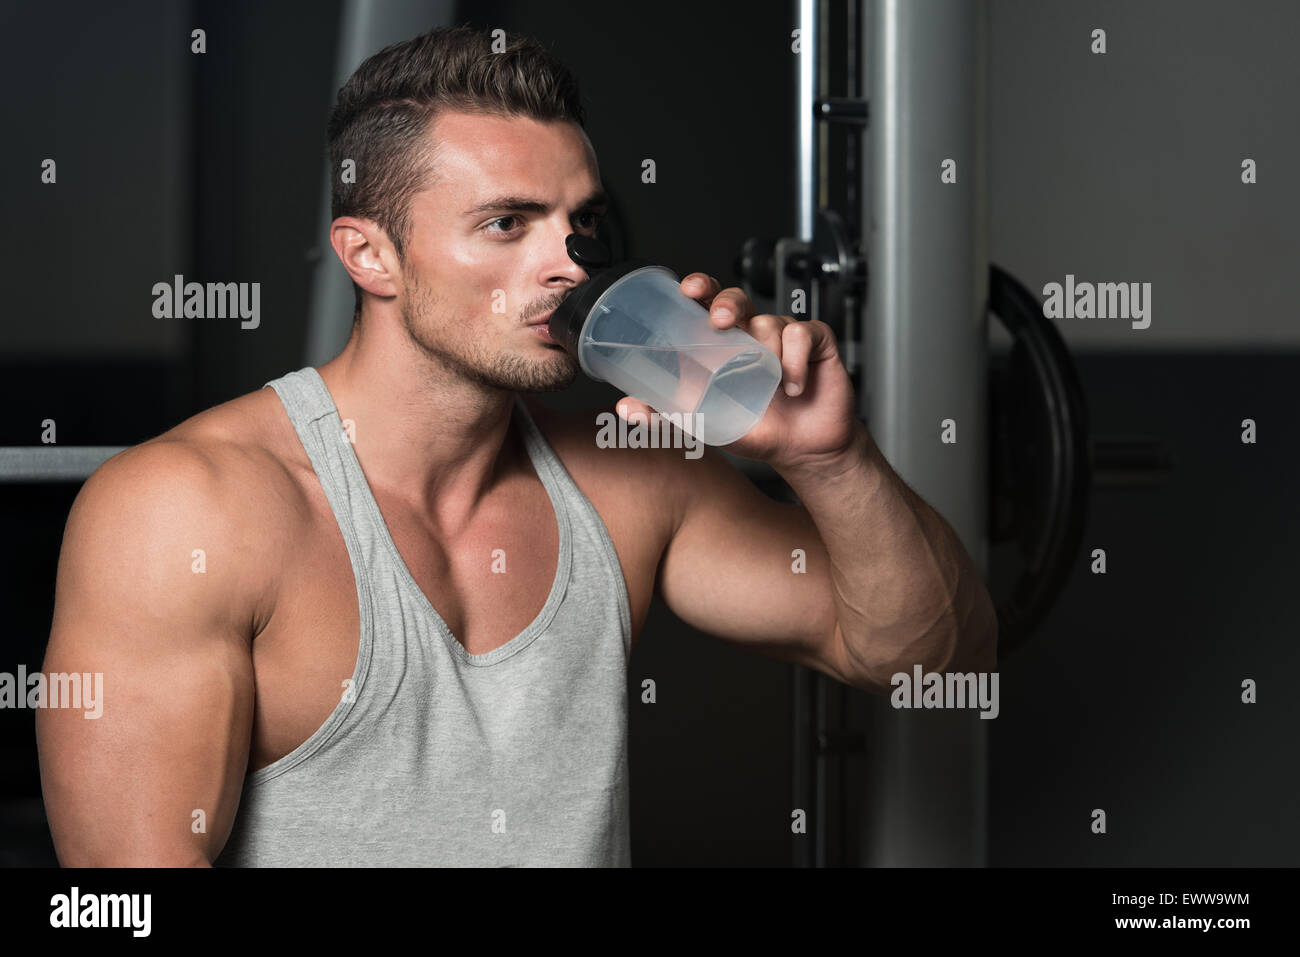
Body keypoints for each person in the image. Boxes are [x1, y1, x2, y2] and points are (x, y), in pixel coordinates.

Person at [35, 24, 997, 867]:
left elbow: (934, 660)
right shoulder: (185, 508)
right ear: (369, 254)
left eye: (582, 223)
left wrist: (828, 457)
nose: (567, 264)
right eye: (507, 224)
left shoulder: (634, 483)